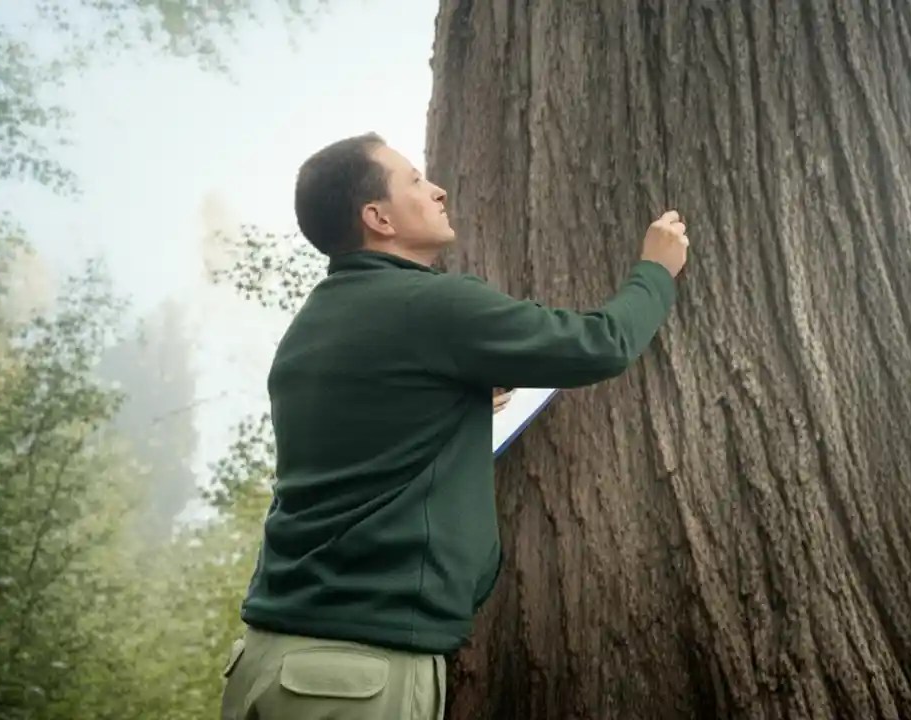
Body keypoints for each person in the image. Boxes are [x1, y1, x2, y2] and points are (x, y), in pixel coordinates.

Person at [218, 132, 689, 720]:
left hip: (266, 662)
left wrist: (454, 400)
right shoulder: (430, 305)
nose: (437, 189)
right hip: (353, 676)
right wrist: (656, 270)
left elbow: (372, 430)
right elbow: (599, 345)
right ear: (378, 217)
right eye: (414, 180)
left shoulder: (314, 323)